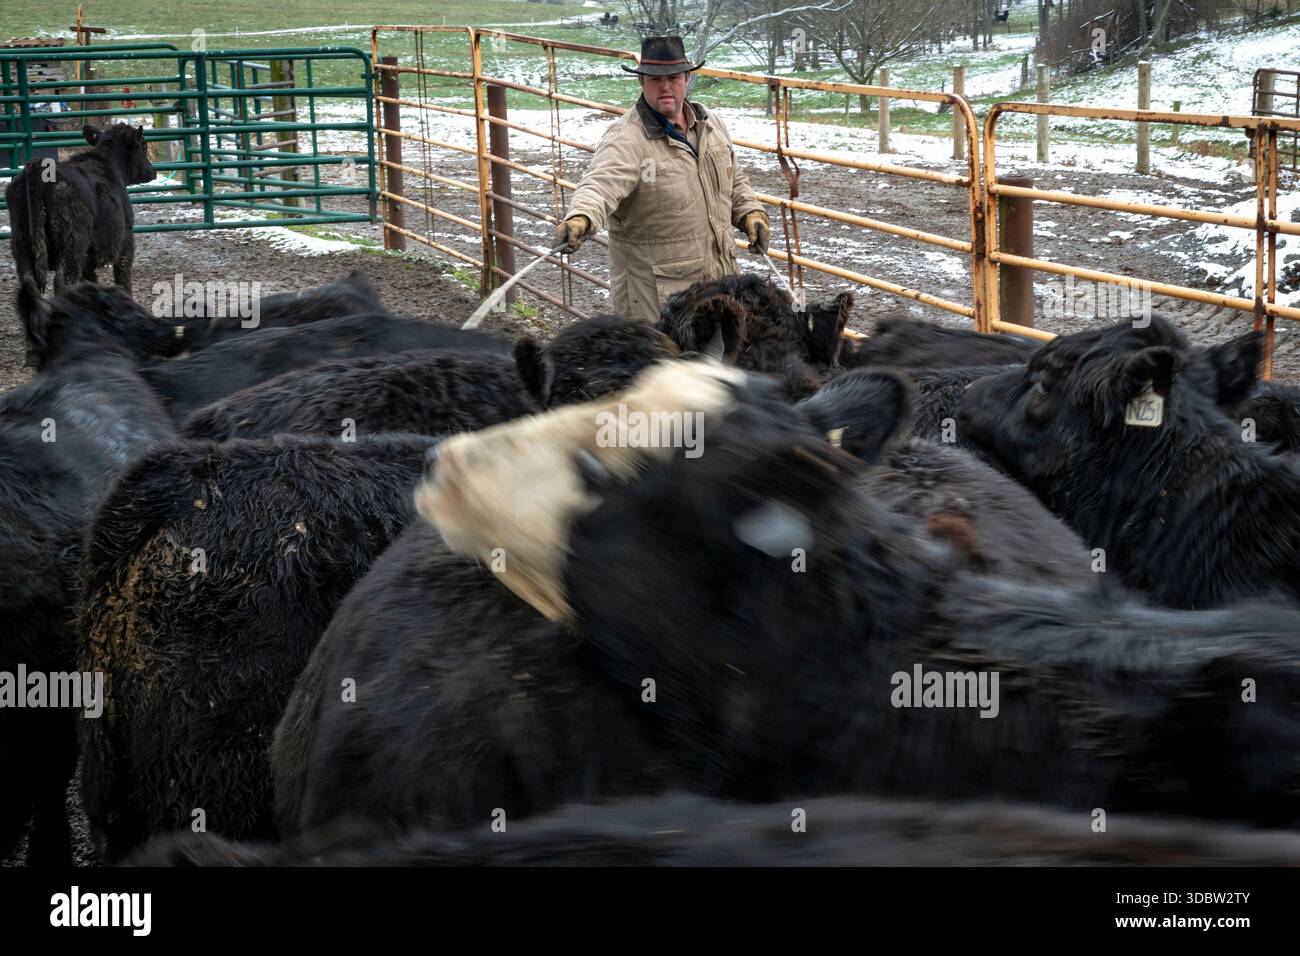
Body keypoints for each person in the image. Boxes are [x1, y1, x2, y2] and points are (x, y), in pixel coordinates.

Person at [551, 35, 769, 324]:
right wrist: (581, 218)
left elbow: (735, 181)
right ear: (641, 83)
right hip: (658, 306)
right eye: (655, 79)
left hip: (720, 289)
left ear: (687, 78)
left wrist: (750, 213)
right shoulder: (627, 139)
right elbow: (600, 184)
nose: (665, 86)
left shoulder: (711, 127)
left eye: (673, 77)